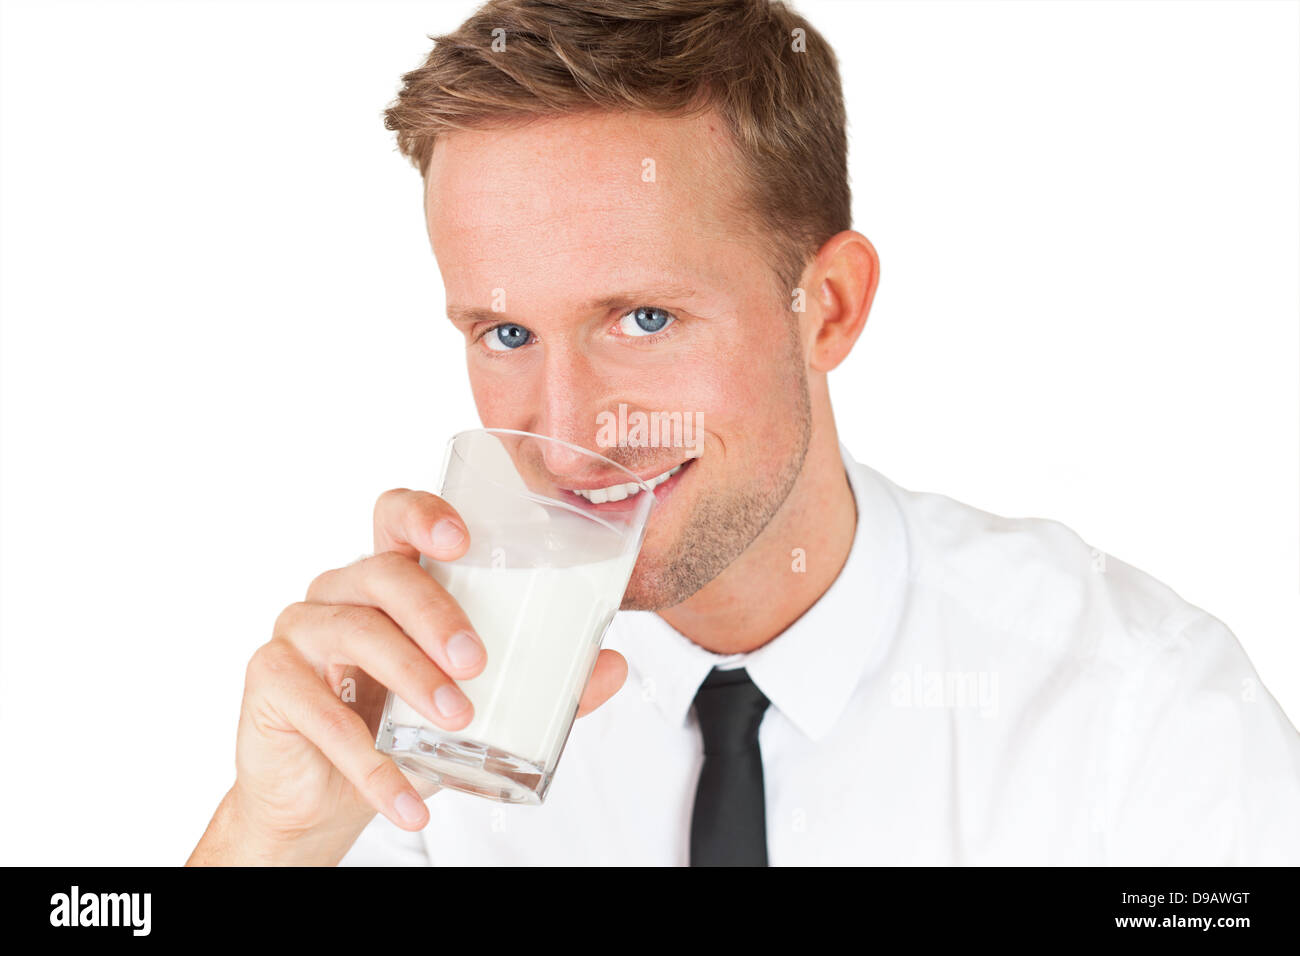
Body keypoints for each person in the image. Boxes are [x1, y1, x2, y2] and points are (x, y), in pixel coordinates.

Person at [188, 0, 1300, 866]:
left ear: (828, 306)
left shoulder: (1136, 710)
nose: (570, 434)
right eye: (506, 330)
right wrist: (269, 834)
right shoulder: (428, 721)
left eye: (644, 317)